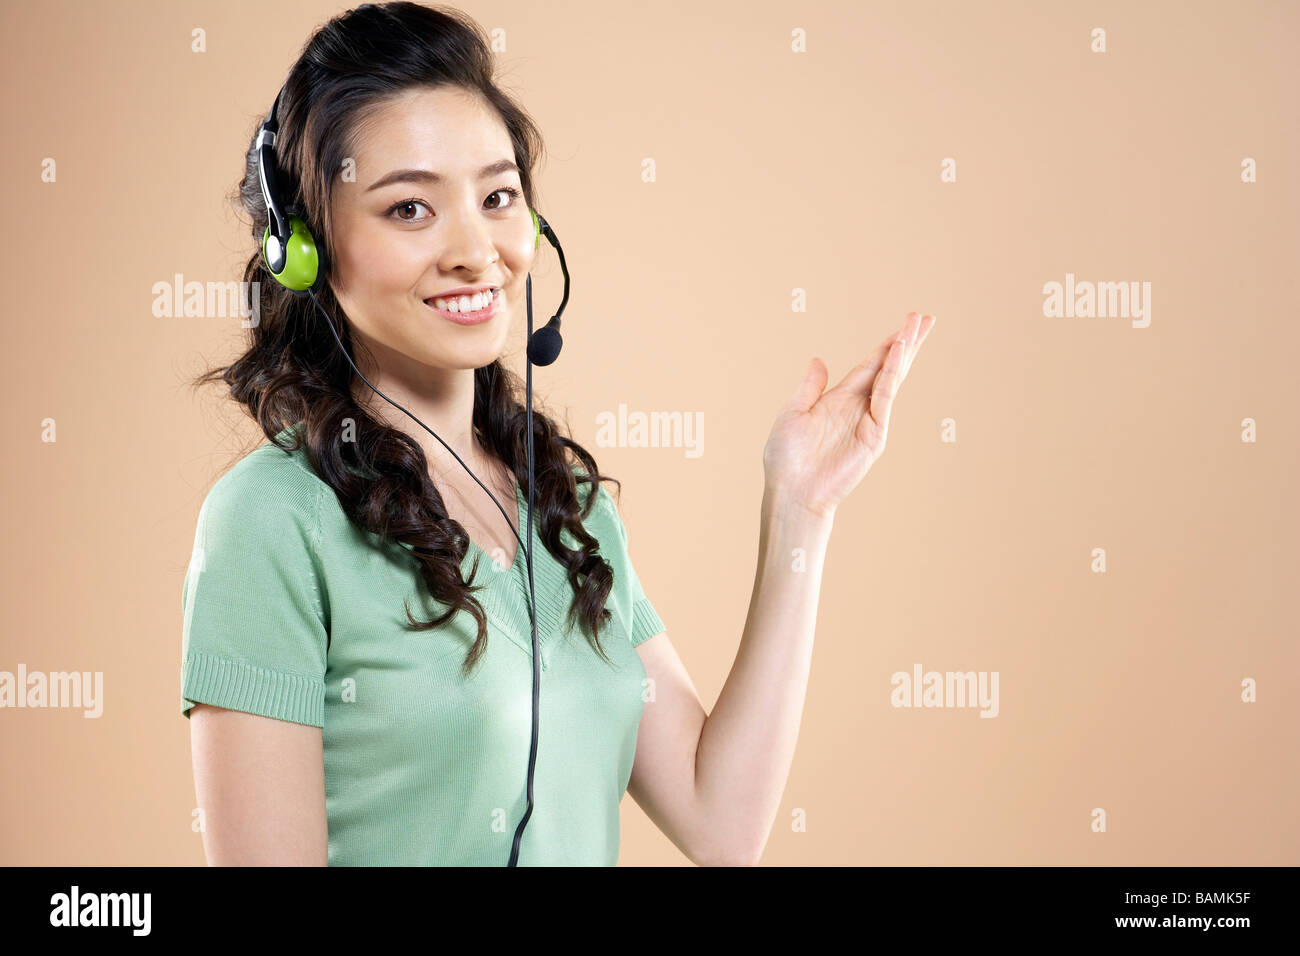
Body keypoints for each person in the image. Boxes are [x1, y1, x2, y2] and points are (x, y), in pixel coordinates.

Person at [182, 0, 935, 866]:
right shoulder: (270, 522)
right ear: (304, 246)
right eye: (409, 210)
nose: (476, 248)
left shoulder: (560, 503)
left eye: (498, 197)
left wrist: (800, 508)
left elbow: (720, 820)